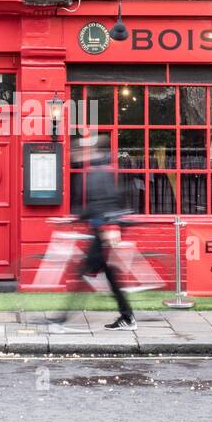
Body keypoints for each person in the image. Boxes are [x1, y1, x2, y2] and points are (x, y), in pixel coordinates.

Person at [75, 135, 135, 330]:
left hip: (103, 230)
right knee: (106, 274)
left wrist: (110, 227)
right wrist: (75, 218)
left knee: (83, 273)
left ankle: (61, 321)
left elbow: (107, 202)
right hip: (101, 228)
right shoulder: (98, 170)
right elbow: (98, 204)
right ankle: (127, 316)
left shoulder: (98, 172)